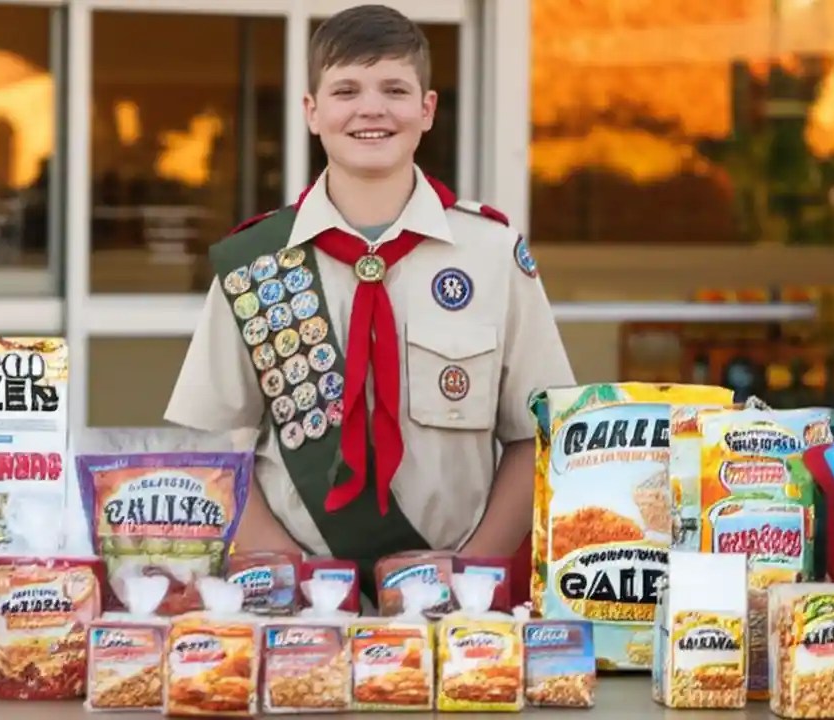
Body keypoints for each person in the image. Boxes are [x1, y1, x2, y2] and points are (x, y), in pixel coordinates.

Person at [164, 3, 575, 604]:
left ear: (427, 109)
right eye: (346, 89)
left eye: (395, 89)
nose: (371, 108)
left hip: (455, 600)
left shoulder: (492, 254)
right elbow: (210, 453)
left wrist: (470, 572)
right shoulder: (257, 263)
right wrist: (293, 577)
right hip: (293, 601)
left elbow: (536, 437)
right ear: (312, 111)